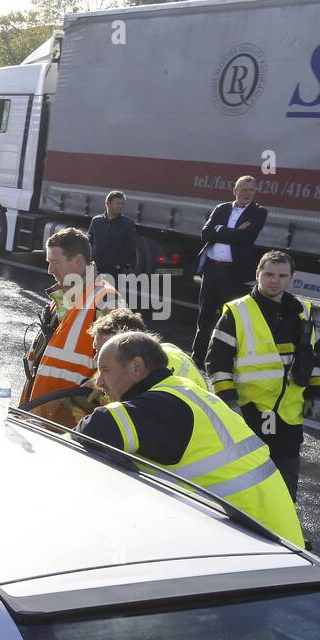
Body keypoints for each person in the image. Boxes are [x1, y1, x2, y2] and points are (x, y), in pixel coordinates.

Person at [76, 331, 303, 548]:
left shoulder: (161, 406)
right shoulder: (182, 391)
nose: (100, 383)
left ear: (137, 366)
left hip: (262, 549)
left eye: (105, 370)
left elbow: (96, 428)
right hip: (278, 539)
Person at [204, 250, 318, 501]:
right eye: (268, 274)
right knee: (245, 481)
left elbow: (314, 360)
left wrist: (314, 397)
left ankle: (286, 535)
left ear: (292, 278)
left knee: (286, 485)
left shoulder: (304, 313)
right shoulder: (237, 312)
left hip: (289, 413)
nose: (274, 280)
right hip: (248, 411)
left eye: (281, 275)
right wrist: (230, 404)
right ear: (257, 274)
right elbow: (216, 363)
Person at [22, 227, 119, 427]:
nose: (49, 270)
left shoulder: (105, 299)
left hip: (67, 427)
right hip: (40, 417)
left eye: (55, 262)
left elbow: (120, 365)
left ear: (78, 261)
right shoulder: (63, 298)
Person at [191, 175, 267, 364]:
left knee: (231, 318)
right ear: (235, 191)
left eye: (251, 190)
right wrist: (233, 231)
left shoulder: (258, 212)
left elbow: (246, 238)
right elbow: (205, 233)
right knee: (205, 315)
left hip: (233, 273)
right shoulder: (222, 208)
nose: (247, 194)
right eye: (243, 190)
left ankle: (221, 360)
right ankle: (197, 357)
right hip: (212, 270)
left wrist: (220, 230)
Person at [89, 308, 209, 394]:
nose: (96, 358)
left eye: (103, 350)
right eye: (96, 349)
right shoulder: (169, 350)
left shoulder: (147, 372)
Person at [86, 190, 137, 283]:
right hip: (96, 267)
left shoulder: (127, 224)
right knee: (93, 295)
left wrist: (120, 265)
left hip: (114, 271)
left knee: (111, 296)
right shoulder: (96, 221)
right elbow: (88, 242)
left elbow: (130, 247)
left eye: (122, 203)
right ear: (107, 204)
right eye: (117, 203)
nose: (120, 206)